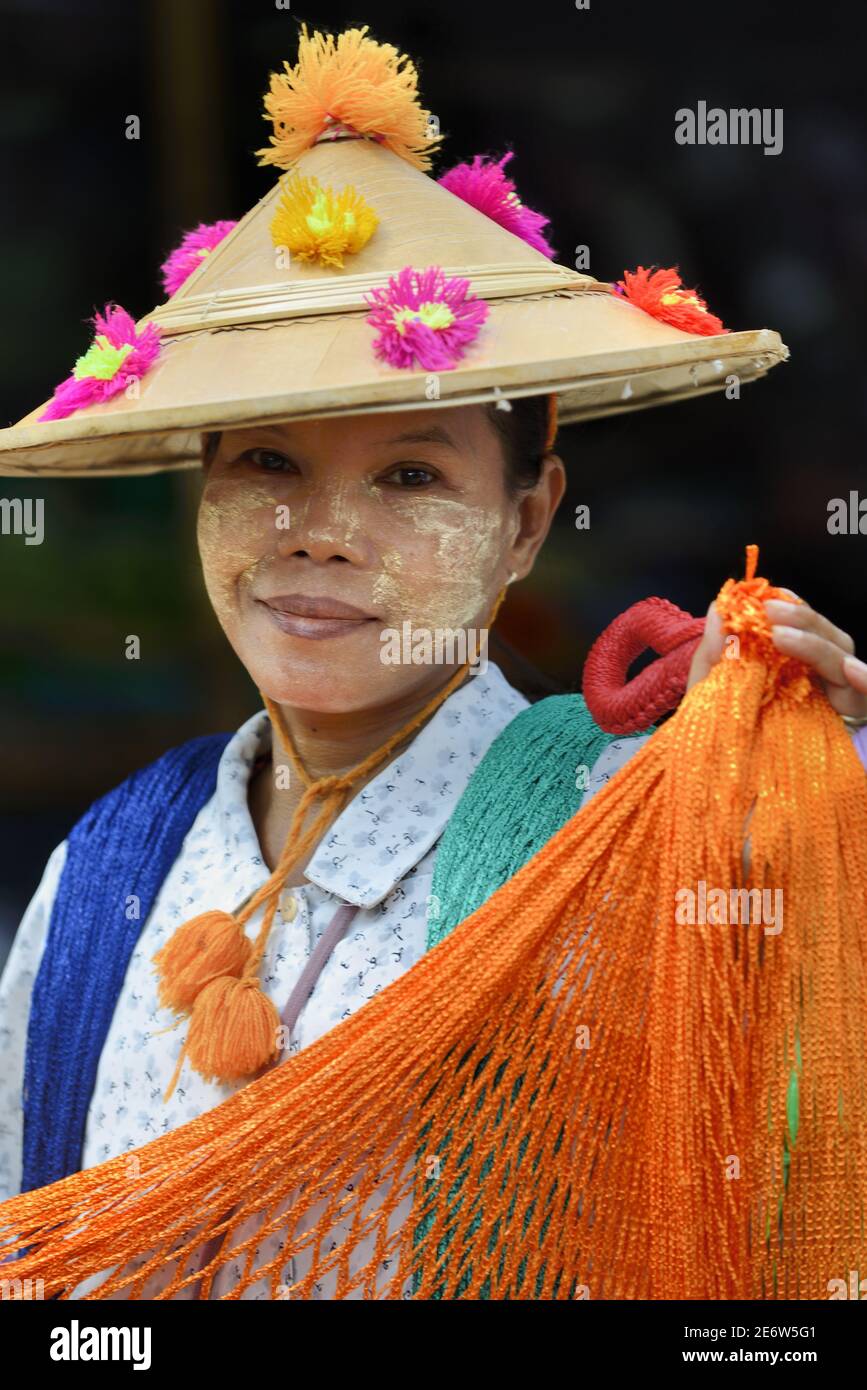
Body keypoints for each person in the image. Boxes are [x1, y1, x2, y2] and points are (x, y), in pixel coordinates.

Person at [0, 23, 865, 1299]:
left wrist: (831, 783)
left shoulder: (639, 828)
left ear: (527, 517)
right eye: (266, 464)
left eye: (411, 476)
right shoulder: (108, 865)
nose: (320, 539)